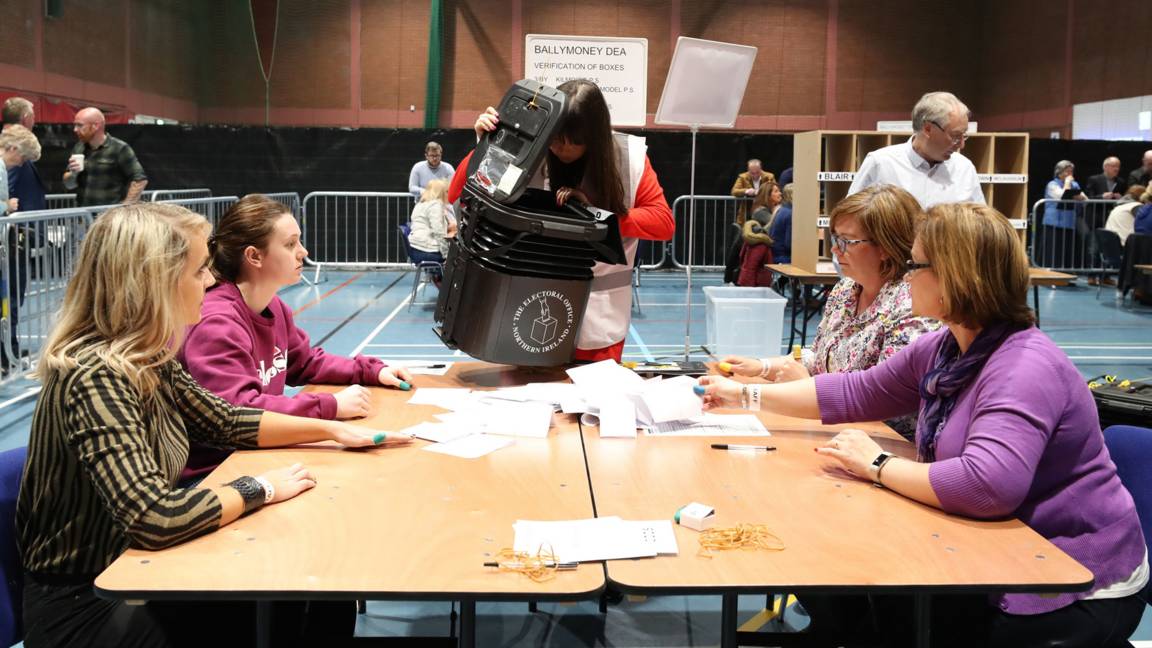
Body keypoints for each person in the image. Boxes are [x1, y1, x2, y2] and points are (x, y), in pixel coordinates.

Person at [699, 203, 1147, 647]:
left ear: (957, 276)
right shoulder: (947, 346)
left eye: (917, 265)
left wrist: (875, 463)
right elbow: (854, 391)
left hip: (1068, 578)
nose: (907, 275)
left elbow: (986, 486)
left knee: (892, 601)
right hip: (995, 546)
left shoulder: (1023, 367)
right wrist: (744, 395)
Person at [17, 202, 411, 648]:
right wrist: (260, 488)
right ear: (154, 283)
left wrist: (331, 430)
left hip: (140, 571)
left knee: (315, 583)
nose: (209, 282)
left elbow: (225, 420)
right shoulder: (96, 376)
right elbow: (155, 517)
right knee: (282, 589)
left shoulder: (149, 359)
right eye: (200, 271)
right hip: (90, 602)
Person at [180, 193, 413, 480]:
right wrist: (330, 406)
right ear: (254, 256)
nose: (303, 251)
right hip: (216, 471)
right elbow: (239, 412)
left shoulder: (274, 307)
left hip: (258, 451)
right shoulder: (216, 322)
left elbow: (304, 362)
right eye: (290, 244)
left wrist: (372, 370)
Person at [450, 79, 674, 363]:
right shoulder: (529, 147)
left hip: (599, 320)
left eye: (575, 142)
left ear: (596, 136)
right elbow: (456, 193)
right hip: (526, 307)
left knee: (590, 405)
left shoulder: (629, 159)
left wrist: (599, 216)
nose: (563, 150)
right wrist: (487, 148)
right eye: (557, 139)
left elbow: (663, 222)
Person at [718, 184, 939, 439]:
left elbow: (879, 398)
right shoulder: (846, 289)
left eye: (847, 242)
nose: (835, 250)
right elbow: (821, 357)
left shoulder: (912, 306)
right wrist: (762, 366)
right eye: (835, 238)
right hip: (835, 432)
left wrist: (797, 385)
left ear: (886, 247)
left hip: (883, 444)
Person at [848, 91, 984, 209]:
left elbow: (981, 224)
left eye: (964, 136)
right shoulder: (881, 163)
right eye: (955, 136)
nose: (961, 145)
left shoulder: (964, 168)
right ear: (928, 129)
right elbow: (848, 221)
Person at [63, 107, 148, 206]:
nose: (75, 129)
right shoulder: (79, 148)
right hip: (84, 216)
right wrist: (73, 174)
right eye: (75, 125)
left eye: (80, 125)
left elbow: (140, 179)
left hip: (109, 217)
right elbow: (69, 185)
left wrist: (125, 207)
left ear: (96, 126)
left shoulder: (119, 148)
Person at [1039, 159, 1087, 271]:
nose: (1070, 175)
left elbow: (1085, 199)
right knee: (1054, 250)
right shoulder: (1052, 184)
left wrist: (1078, 196)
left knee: (1067, 252)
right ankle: (1051, 274)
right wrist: (1067, 184)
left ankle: (1066, 275)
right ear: (1059, 173)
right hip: (1053, 223)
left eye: (1071, 172)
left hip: (1069, 223)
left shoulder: (1075, 185)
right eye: (1067, 172)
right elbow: (1062, 196)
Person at [2, 97, 46, 213]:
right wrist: (6, 207)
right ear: (26, 118)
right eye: (33, 118)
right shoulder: (15, 149)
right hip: (20, 223)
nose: (34, 122)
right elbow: (7, 187)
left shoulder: (12, 146)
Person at [735, 180, 783, 287]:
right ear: (767, 195)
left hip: (768, 247)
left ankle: (783, 284)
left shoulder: (772, 209)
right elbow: (771, 228)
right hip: (765, 248)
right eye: (776, 191)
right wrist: (776, 214)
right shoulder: (760, 211)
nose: (780, 193)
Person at [406, 178, 457, 272]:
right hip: (424, 250)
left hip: (415, 249)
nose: (448, 194)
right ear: (440, 192)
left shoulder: (421, 203)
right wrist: (447, 255)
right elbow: (438, 232)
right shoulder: (435, 205)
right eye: (446, 191)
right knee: (457, 258)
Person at [730, 158, 776, 225]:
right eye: (752, 173)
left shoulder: (769, 177)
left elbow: (774, 190)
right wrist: (746, 191)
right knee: (745, 232)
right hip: (746, 211)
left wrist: (760, 192)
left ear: (761, 169)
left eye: (757, 172)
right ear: (748, 170)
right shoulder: (743, 177)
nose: (755, 175)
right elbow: (734, 191)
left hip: (765, 210)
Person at [768, 183, 794, 264]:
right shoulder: (790, 214)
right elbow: (789, 244)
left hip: (776, 255)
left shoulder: (782, 210)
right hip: (784, 258)